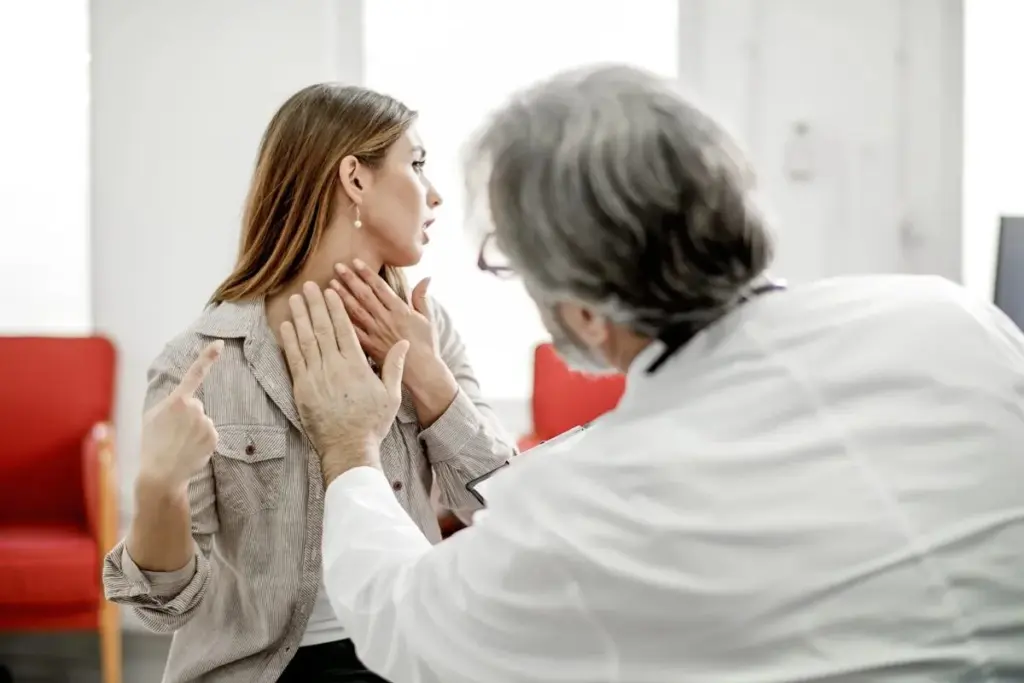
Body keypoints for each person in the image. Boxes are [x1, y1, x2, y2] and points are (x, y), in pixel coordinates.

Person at [270, 65, 1024, 682]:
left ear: (586, 309)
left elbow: (402, 625)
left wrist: (350, 446)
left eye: (512, 263)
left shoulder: (589, 505)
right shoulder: (952, 317)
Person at [102, 84, 515, 683]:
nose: (435, 195)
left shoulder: (426, 329)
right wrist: (158, 488)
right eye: (417, 163)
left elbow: (499, 511)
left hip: (404, 654)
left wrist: (432, 382)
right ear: (355, 178)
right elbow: (163, 607)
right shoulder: (201, 363)